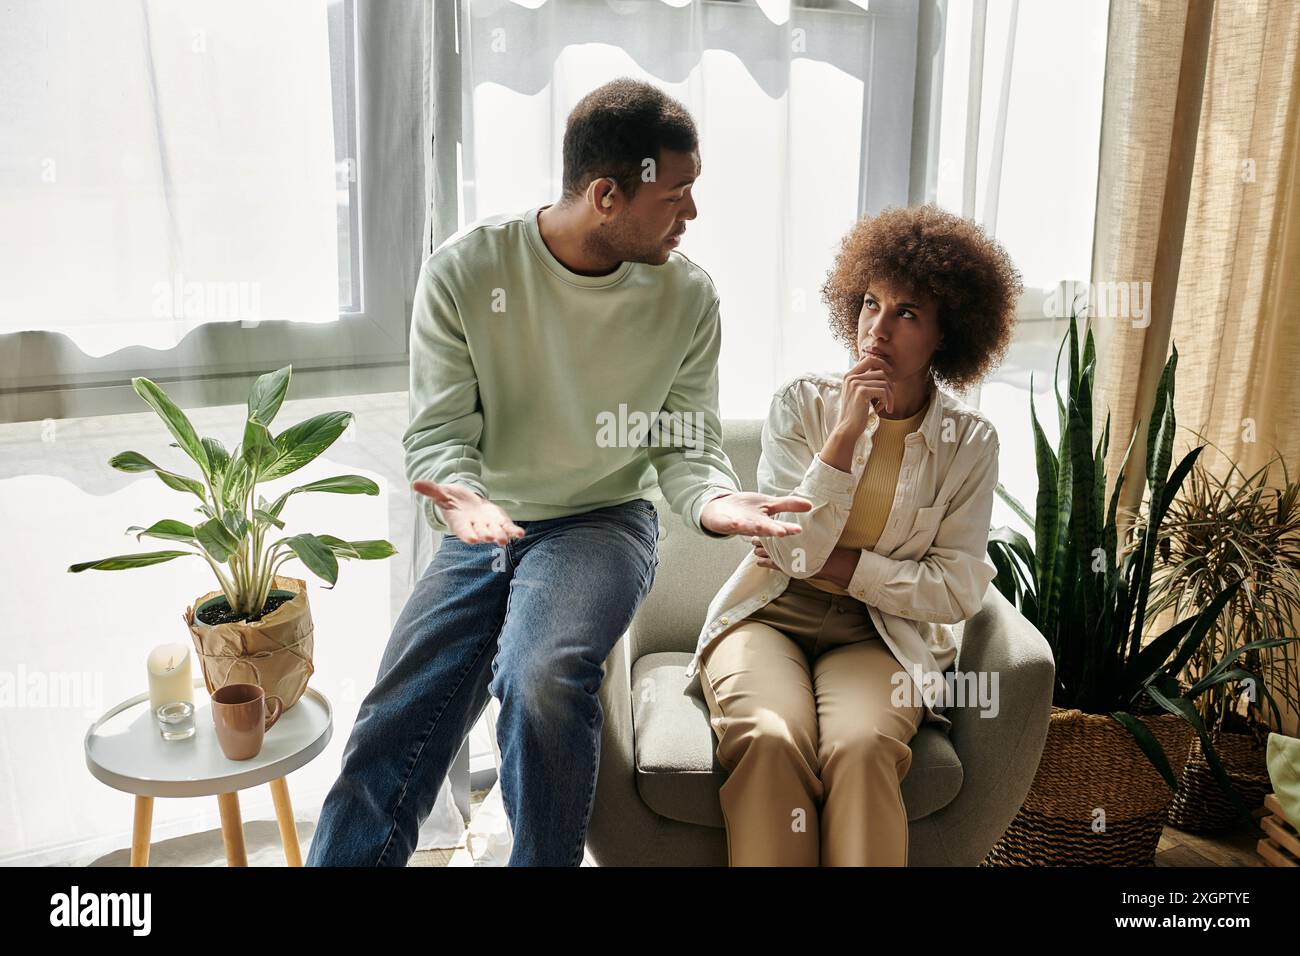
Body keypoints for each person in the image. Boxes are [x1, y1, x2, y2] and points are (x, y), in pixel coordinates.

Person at [306, 78, 810, 867]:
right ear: (607, 193)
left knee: (539, 678)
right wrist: (463, 496)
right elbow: (439, 433)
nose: (693, 214)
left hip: (604, 519)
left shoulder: (686, 297)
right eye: (678, 193)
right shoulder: (467, 273)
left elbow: (685, 445)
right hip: (486, 523)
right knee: (394, 716)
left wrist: (711, 501)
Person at [686, 204, 1023, 866]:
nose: (878, 326)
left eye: (907, 313)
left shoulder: (970, 444)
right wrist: (843, 434)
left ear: (944, 336)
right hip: (769, 617)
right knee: (772, 737)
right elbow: (789, 553)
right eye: (871, 303)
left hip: (878, 634)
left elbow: (954, 591)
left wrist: (839, 567)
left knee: (864, 749)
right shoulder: (803, 405)